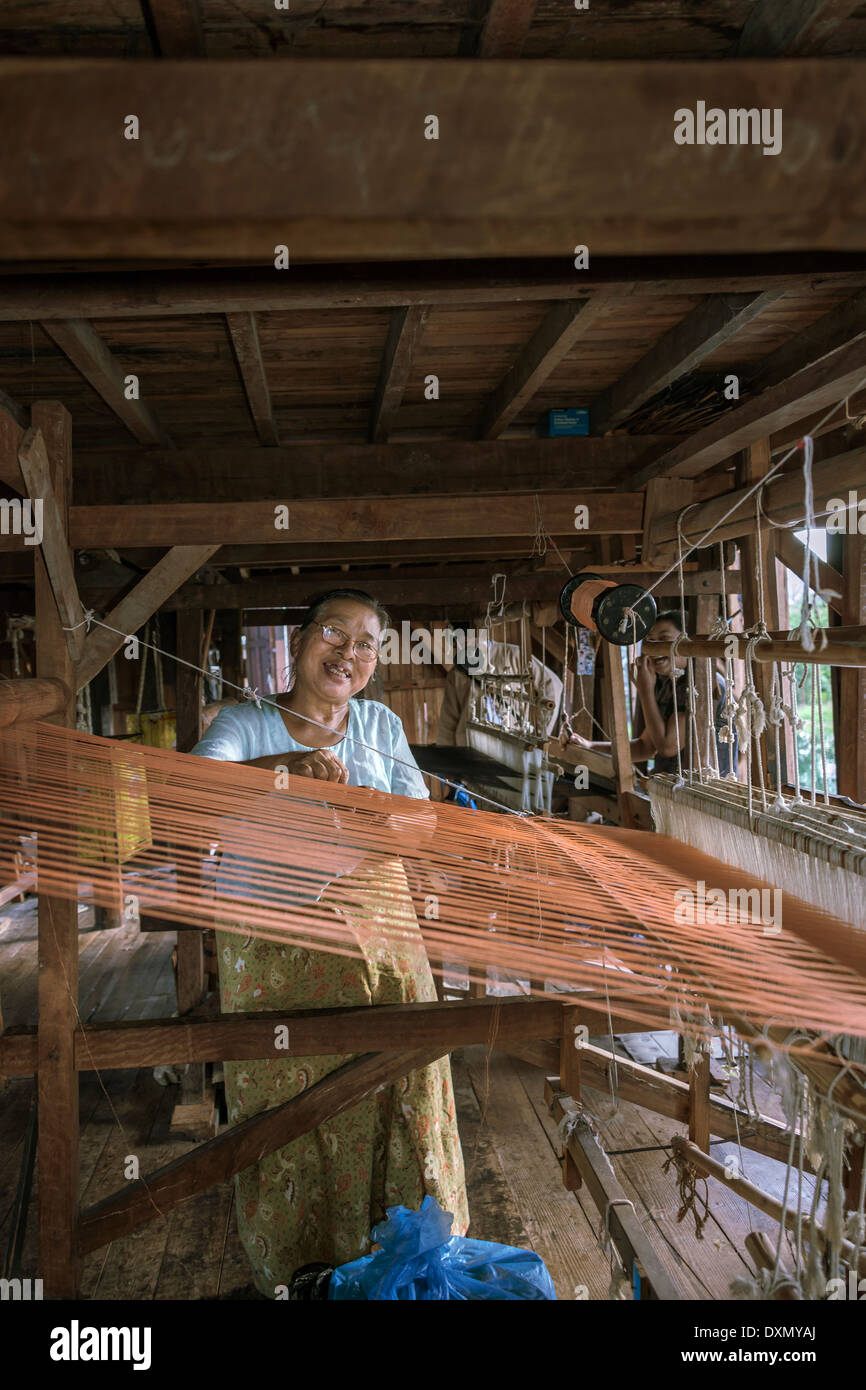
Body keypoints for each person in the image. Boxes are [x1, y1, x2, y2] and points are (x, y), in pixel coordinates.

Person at [191, 589, 468, 1295]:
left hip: (380, 949)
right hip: (277, 955)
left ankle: (400, 1253)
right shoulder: (243, 724)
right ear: (300, 640)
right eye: (335, 633)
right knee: (294, 1101)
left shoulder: (378, 723)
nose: (350, 652)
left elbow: (420, 826)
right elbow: (190, 793)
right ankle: (303, 1269)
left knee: (397, 1079)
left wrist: (378, 819)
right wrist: (281, 773)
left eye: (368, 642)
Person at [561, 609, 735, 777]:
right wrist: (590, 746)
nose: (655, 648)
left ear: (688, 641)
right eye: (650, 641)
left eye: (664, 639)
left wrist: (645, 691)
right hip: (675, 794)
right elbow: (645, 747)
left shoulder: (701, 684)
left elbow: (667, 747)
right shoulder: (669, 684)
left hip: (704, 795)